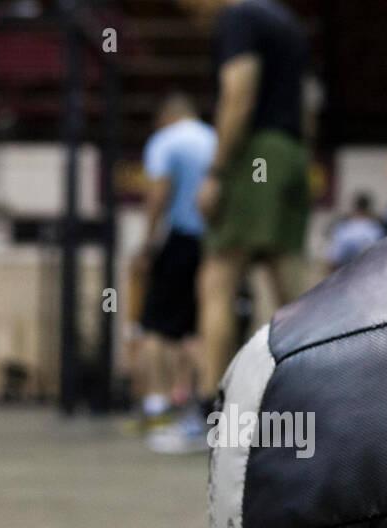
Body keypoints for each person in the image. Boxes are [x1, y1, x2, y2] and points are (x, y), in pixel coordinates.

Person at [155, 0, 314, 453]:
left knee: (217, 280)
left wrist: (219, 172)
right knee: (290, 286)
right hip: (292, 154)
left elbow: (238, 92)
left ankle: (211, 414)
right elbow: (306, 106)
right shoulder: (286, 21)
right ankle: (318, 402)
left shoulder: (238, 19)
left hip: (257, 153)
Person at [132, 93, 216, 432]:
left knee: (155, 326)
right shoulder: (215, 139)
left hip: (180, 239)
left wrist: (148, 243)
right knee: (202, 327)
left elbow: (158, 194)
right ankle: (200, 404)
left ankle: (157, 402)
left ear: (167, 116)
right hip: (214, 245)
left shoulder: (164, 141)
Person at [325, 192, 385, 271]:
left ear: (354, 207)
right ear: (368, 207)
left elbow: (333, 260)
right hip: (367, 273)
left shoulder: (343, 228)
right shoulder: (376, 229)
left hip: (344, 274)